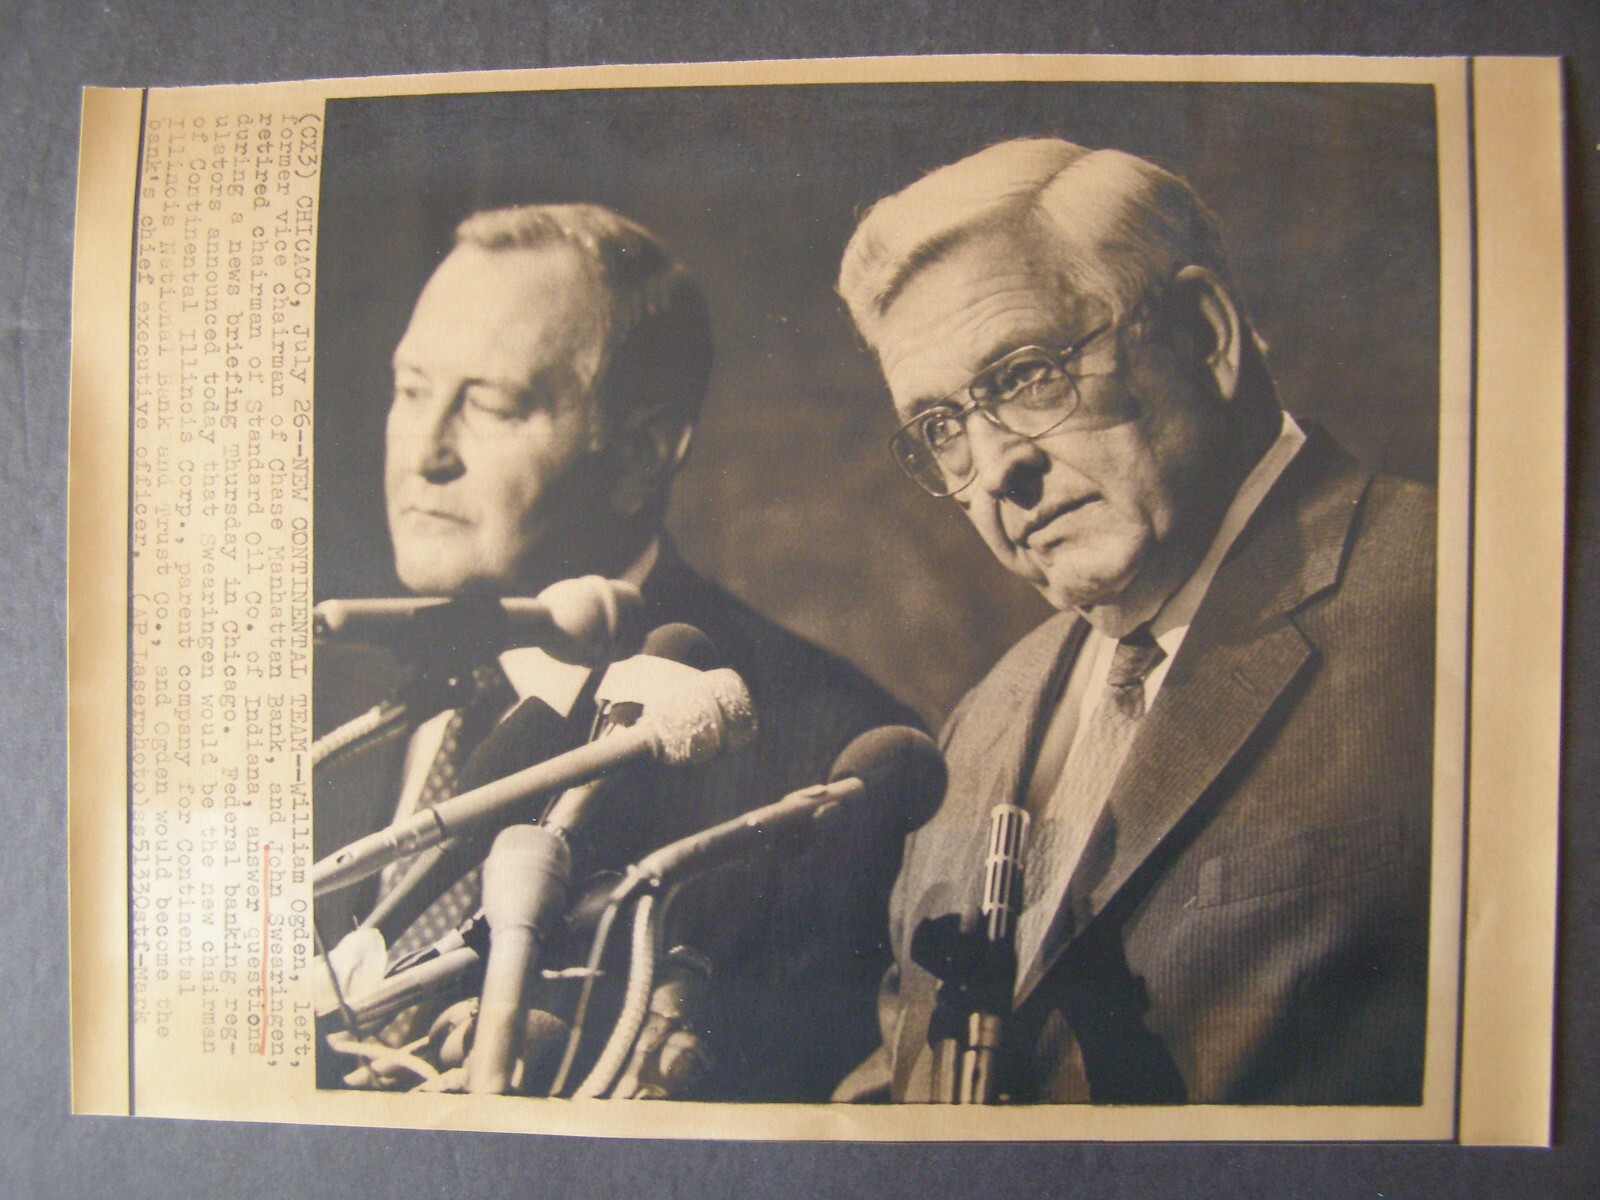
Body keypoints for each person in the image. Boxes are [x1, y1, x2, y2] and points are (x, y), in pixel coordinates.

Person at [833, 138, 1435, 1105]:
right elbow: (917, 1076)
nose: (994, 470)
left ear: (1204, 335)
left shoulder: (1453, 603)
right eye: (942, 426)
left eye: (1026, 375)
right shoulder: (985, 717)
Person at [313, 203, 919, 1102]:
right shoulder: (336, 707)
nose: (426, 453)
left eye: (491, 404)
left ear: (644, 451)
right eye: (411, 389)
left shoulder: (823, 749)